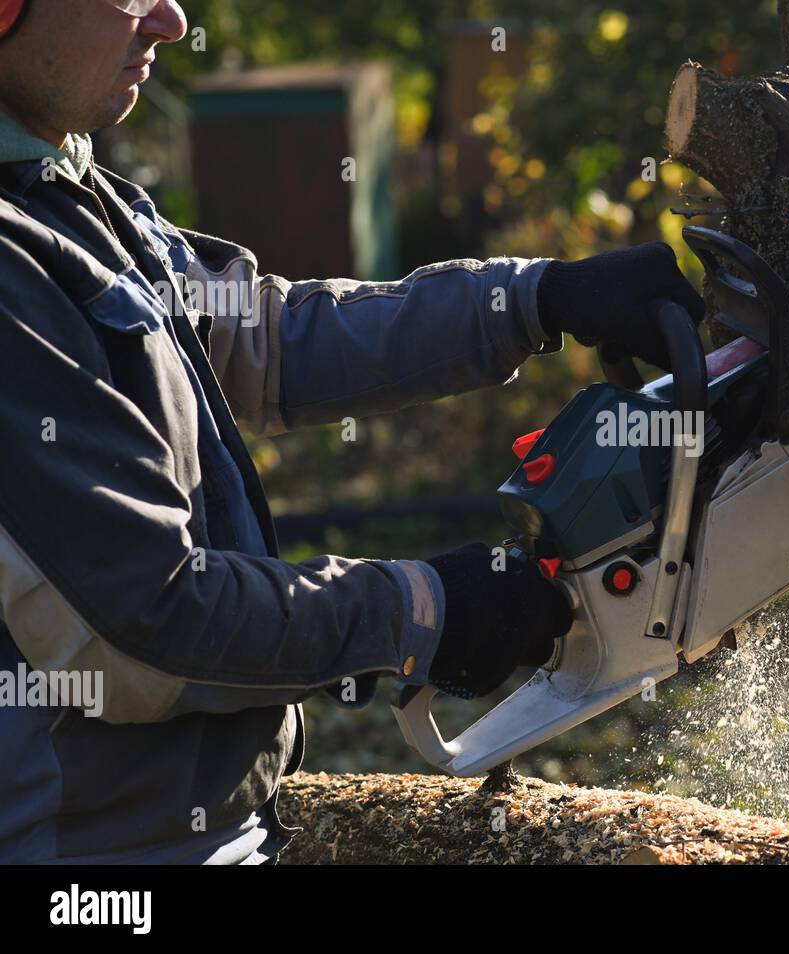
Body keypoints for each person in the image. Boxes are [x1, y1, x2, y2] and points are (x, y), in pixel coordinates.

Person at [0, 0, 704, 863]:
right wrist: (429, 610)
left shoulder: (62, 192)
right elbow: (143, 623)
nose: (172, 21)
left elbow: (266, 339)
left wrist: (531, 298)